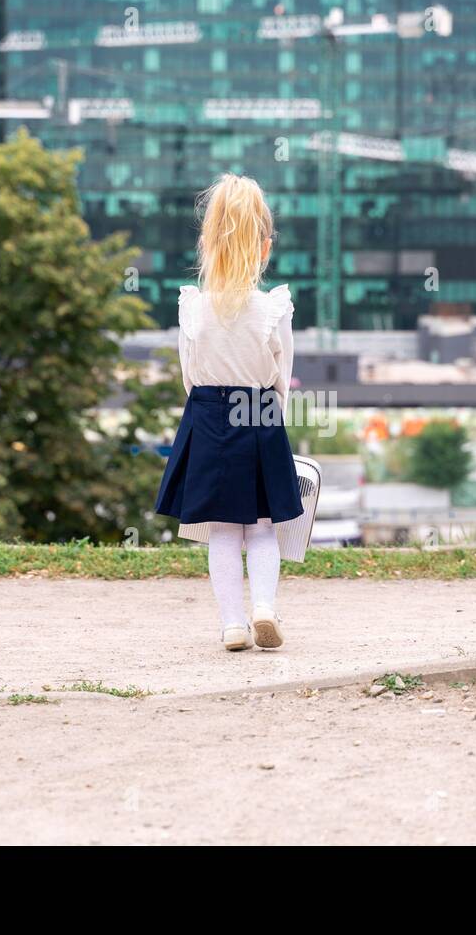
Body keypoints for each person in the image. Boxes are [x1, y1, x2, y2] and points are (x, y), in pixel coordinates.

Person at [154, 173, 303, 652]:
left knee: (221, 528)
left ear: (205, 245)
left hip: (209, 414)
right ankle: (264, 606)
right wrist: (269, 414)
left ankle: (233, 625)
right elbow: (283, 375)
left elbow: (189, 375)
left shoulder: (193, 308)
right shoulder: (273, 309)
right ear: (264, 248)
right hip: (258, 411)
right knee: (261, 525)